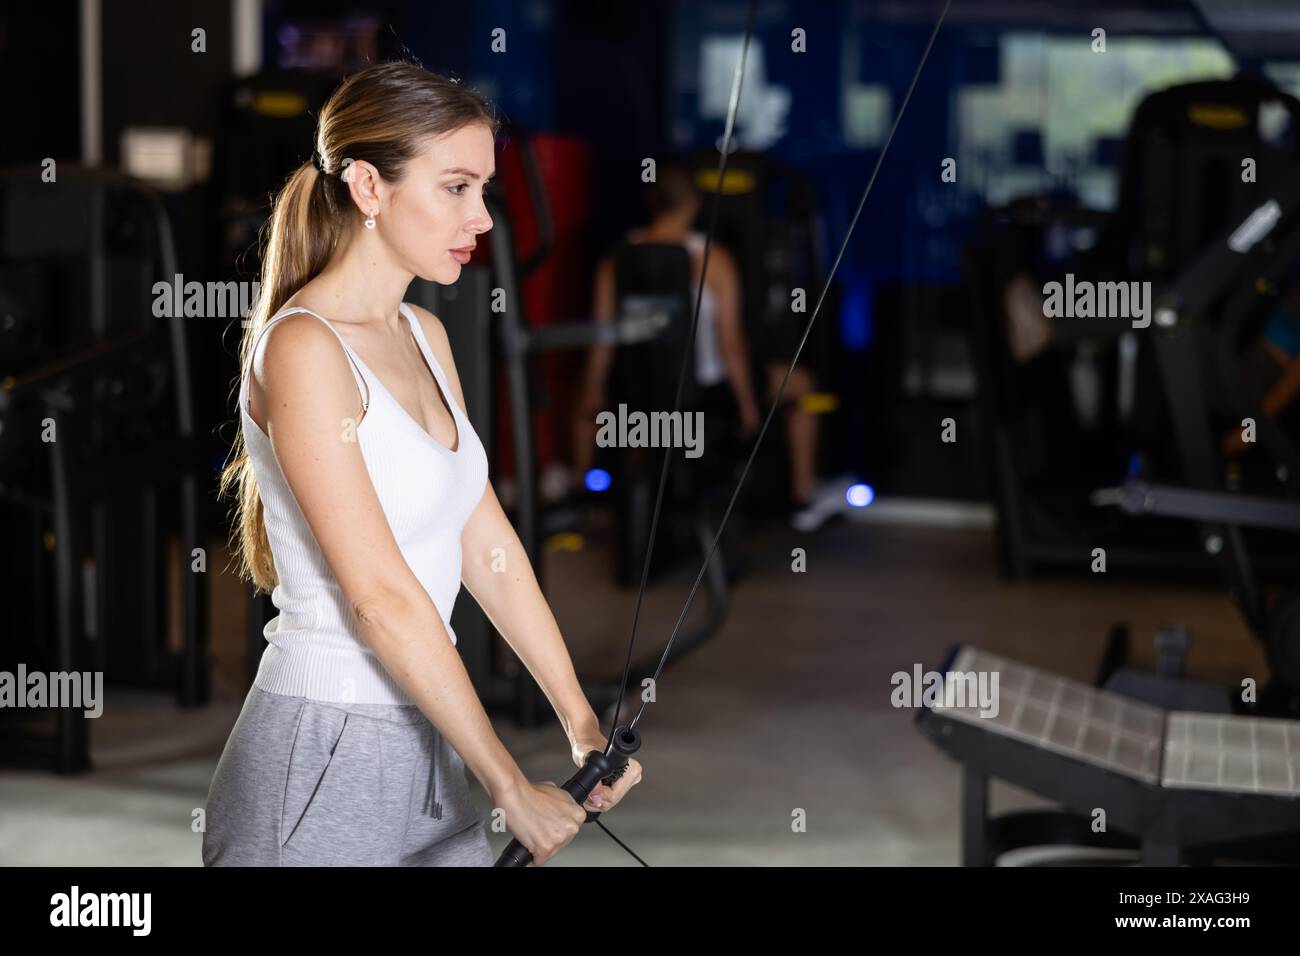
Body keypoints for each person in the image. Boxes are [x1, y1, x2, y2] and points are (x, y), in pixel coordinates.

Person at [206, 61, 640, 867]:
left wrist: (580, 719)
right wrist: (509, 784)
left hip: (429, 732)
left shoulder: (423, 336)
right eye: (456, 187)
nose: (481, 217)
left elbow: (488, 545)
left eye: (485, 190)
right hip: (321, 746)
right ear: (369, 186)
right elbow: (380, 599)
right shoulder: (305, 349)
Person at [572, 158, 761, 482]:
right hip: (699, 394)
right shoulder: (715, 260)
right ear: (694, 203)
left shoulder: (616, 258)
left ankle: (585, 497)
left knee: (587, 407)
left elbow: (602, 338)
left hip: (635, 391)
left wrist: (592, 392)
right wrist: (747, 406)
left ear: (652, 201)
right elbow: (730, 344)